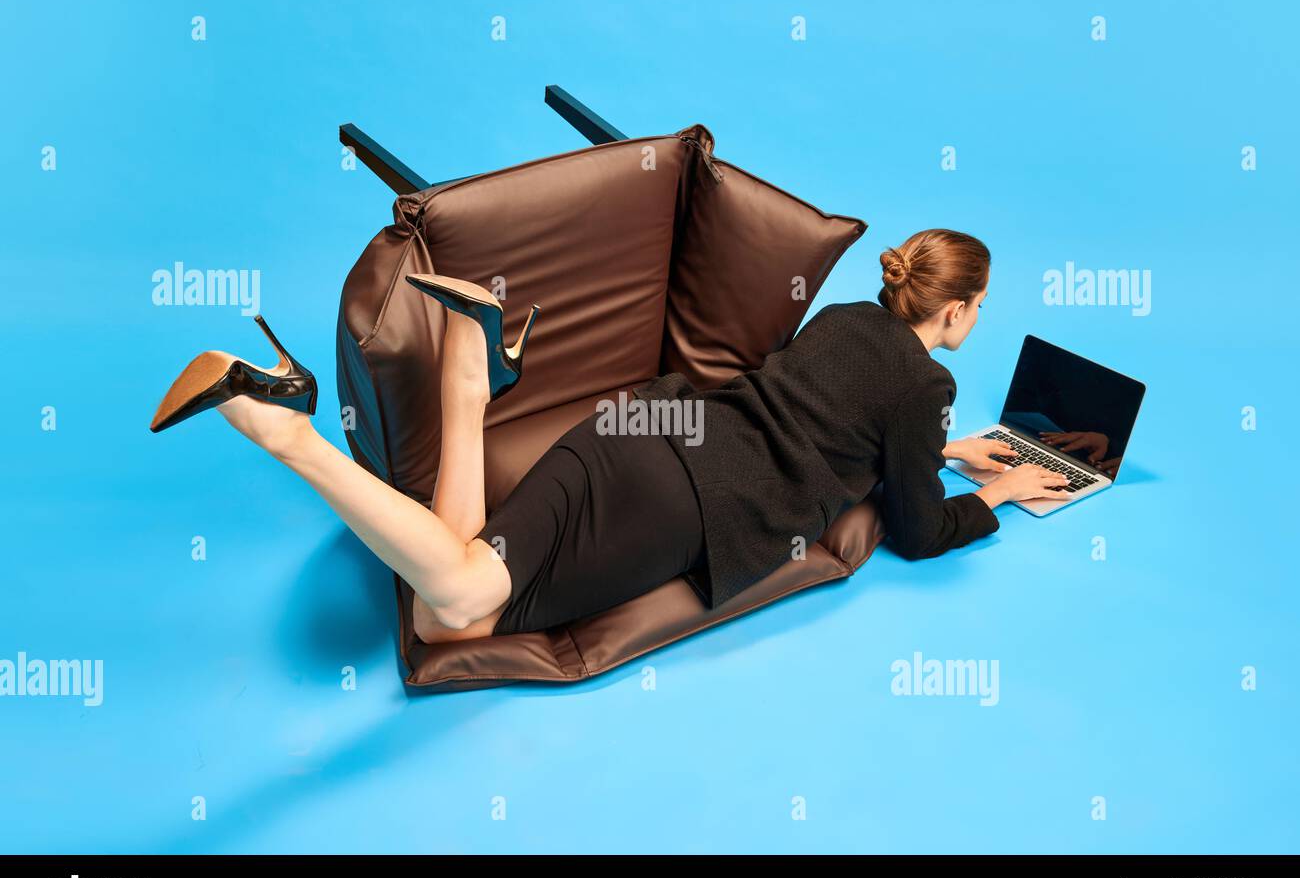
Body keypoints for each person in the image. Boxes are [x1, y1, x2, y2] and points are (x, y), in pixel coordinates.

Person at [149, 229, 1072, 644]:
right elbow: (914, 528)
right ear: (957, 310)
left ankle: (469, 374)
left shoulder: (841, 319)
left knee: (447, 587)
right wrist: (990, 497)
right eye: (980, 306)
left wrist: (945, 451)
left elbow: (831, 416)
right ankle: (286, 428)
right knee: (455, 605)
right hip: (684, 505)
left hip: (643, 428)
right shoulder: (928, 381)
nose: (978, 317)